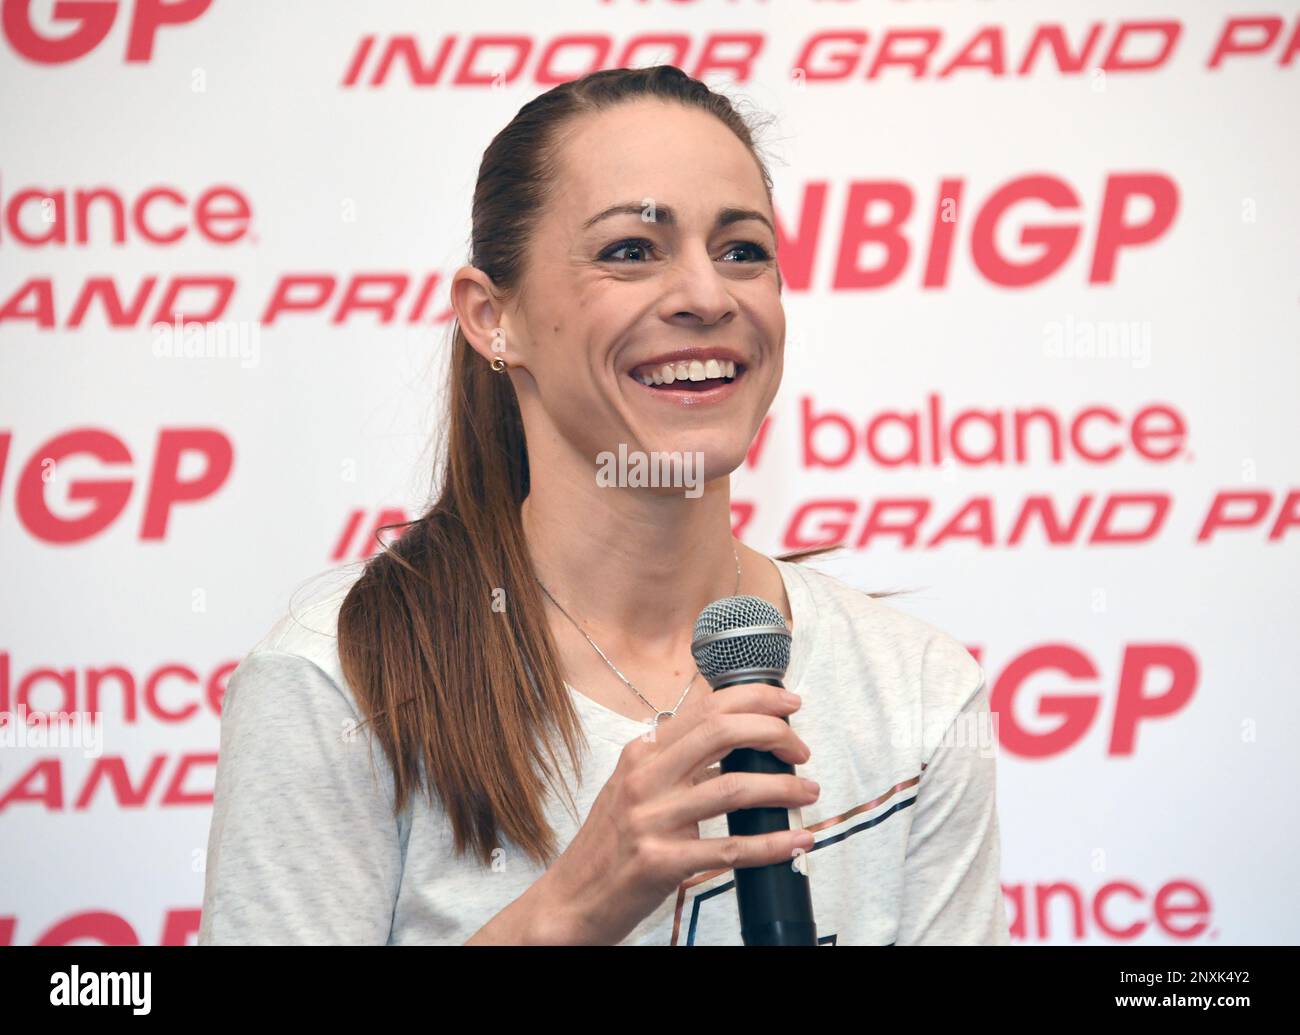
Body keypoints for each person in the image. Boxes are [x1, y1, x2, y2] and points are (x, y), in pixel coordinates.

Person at [197, 65, 1011, 946]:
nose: (707, 296)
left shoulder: (917, 689)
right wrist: (573, 906)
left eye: (743, 250)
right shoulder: (341, 685)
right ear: (490, 318)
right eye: (631, 250)